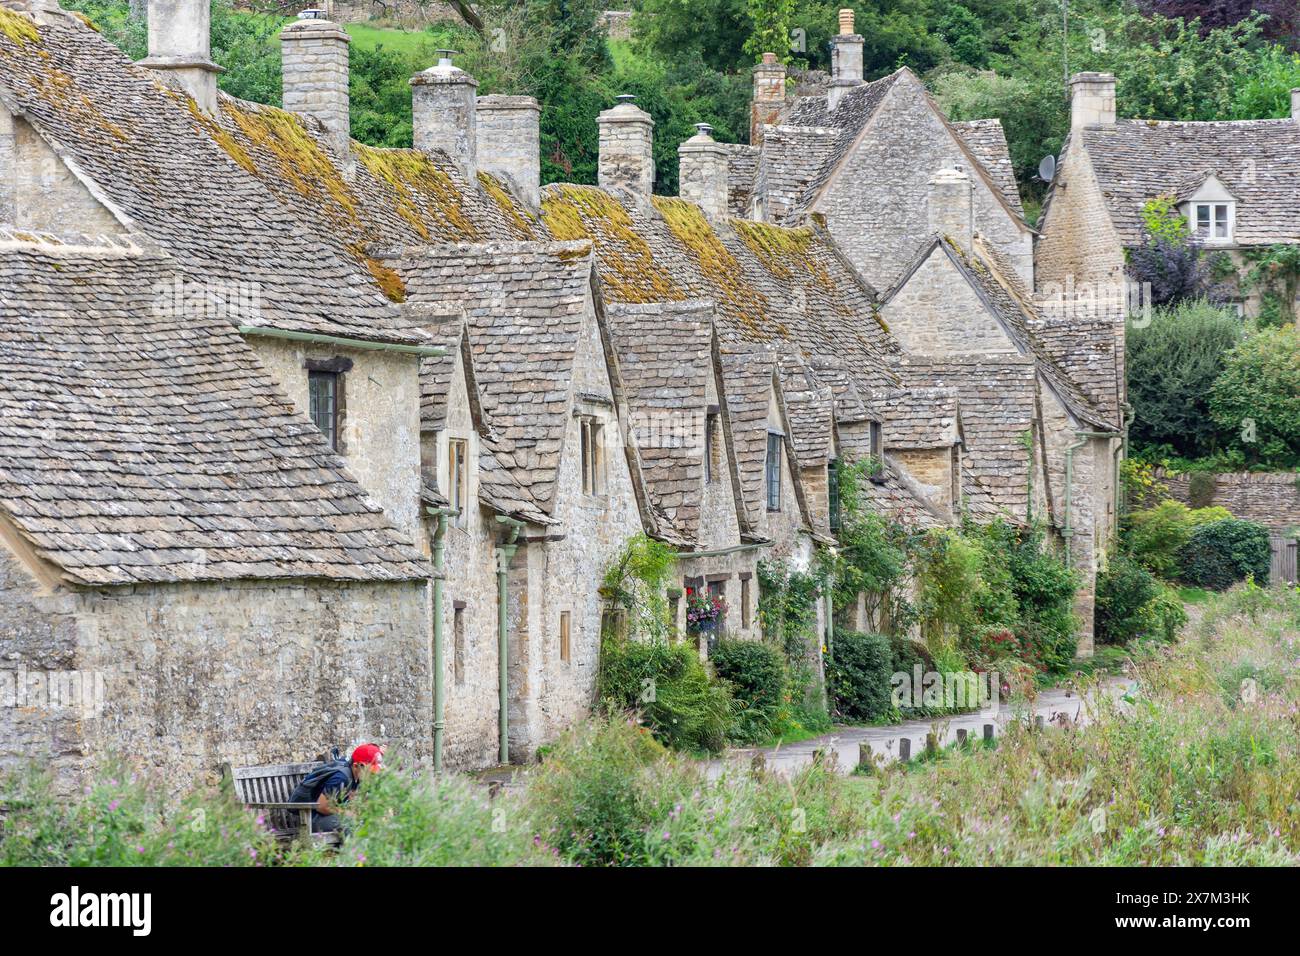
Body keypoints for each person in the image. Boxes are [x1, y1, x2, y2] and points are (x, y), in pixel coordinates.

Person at [288, 743, 384, 834]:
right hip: (314, 818)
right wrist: (347, 813)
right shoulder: (340, 778)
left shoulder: (357, 777)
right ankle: (353, 851)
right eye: (370, 771)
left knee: (371, 820)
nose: (373, 775)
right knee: (351, 824)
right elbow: (322, 807)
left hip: (331, 817)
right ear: (356, 765)